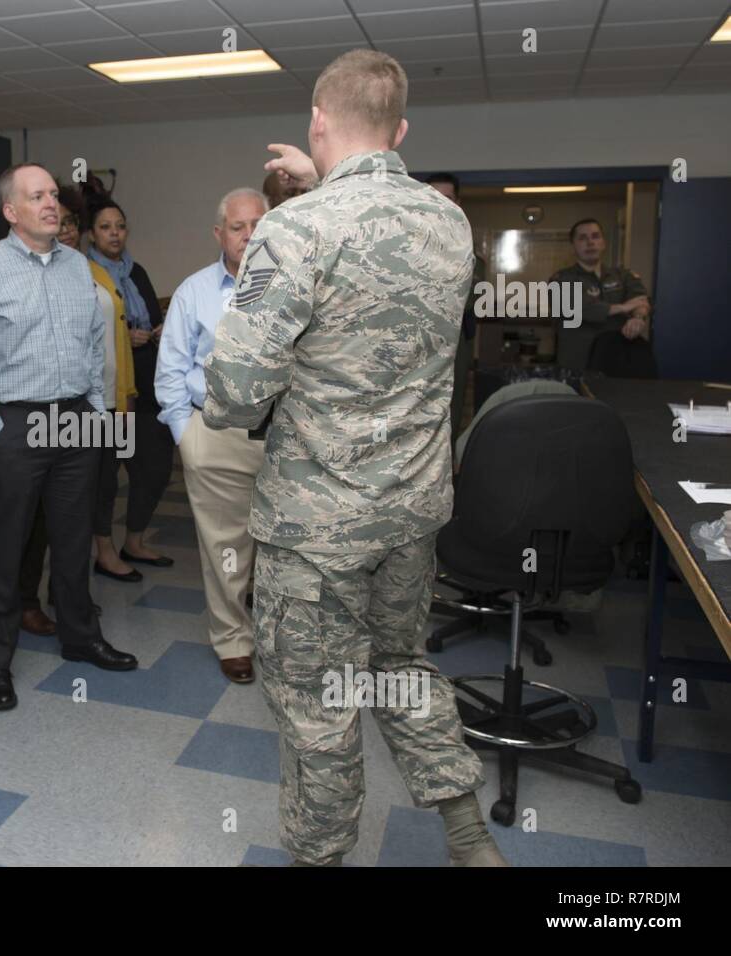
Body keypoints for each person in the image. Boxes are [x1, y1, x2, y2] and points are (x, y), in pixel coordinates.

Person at [204, 49, 507, 867]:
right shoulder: (450, 222)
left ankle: (320, 858)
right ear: (401, 129)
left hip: (318, 525)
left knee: (317, 705)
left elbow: (234, 386)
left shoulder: (293, 228)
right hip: (409, 512)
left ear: (316, 121)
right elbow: (373, 241)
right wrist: (323, 177)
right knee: (399, 668)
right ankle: (469, 836)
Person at [0, 163, 138, 712]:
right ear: (12, 211)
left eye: (54, 195)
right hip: (16, 422)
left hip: (76, 420)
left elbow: (94, 344)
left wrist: (97, 414)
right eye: (38, 197)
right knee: (7, 546)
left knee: (74, 539)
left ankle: (80, 637)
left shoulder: (79, 268)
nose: (53, 204)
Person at [155, 187, 268, 684]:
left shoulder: (298, 285)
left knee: (291, 548)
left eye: (258, 225)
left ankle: (283, 638)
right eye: (238, 227)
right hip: (215, 432)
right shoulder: (193, 291)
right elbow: (171, 369)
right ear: (219, 233)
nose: (248, 236)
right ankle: (233, 640)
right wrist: (188, 438)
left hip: (286, 436)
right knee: (226, 547)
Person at [17, 185, 131, 633]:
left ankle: (67, 599)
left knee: (84, 509)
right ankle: (25, 601)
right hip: (49, 413)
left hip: (102, 407)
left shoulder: (94, 273)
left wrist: (124, 400)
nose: (63, 230)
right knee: (38, 519)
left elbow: (114, 336)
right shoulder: (33, 274)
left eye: (70, 223)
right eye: (56, 222)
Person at [87, 199, 174, 582]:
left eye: (120, 226)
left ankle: (134, 541)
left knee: (155, 468)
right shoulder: (84, 272)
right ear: (93, 233)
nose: (114, 233)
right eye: (105, 227)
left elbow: (151, 314)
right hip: (110, 392)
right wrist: (125, 335)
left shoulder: (135, 271)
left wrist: (156, 329)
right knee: (105, 478)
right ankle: (103, 552)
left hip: (147, 385)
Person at [424, 172, 486, 442]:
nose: (439, 204)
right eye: (432, 197)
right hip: (407, 346)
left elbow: (470, 299)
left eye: (446, 198)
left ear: (458, 203)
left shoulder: (470, 256)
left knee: (449, 417)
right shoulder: (402, 247)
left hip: (451, 347)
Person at [549, 218, 651, 373]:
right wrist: (624, 307)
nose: (590, 242)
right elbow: (580, 307)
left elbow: (642, 301)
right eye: (582, 238)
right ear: (573, 246)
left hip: (617, 361)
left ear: (603, 243)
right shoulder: (561, 279)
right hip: (578, 363)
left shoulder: (623, 275)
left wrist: (638, 317)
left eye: (595, 236)